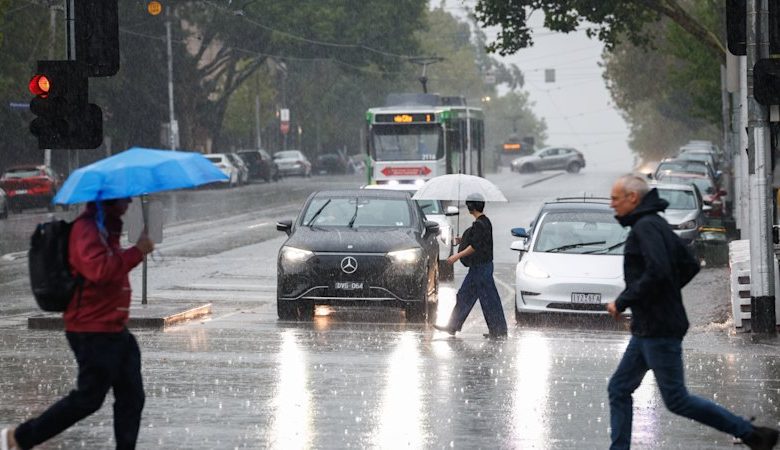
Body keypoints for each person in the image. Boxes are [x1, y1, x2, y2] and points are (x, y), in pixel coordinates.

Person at [606, 174, 778, 450]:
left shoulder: (646, 227)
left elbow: (658, 271)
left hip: (658, 328)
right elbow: (689, 264)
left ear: (633, 198)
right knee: (619, 388)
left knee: (676, 399)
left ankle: (752, 434)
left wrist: (624, 301)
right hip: (649, 326)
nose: (611, 204)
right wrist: (664, 296)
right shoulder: (655, 224)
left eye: (615, 198)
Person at [2, 198, 154, 450]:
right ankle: (18, 438)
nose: (129, 201)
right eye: (124, 196)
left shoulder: (107, 228)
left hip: (113, 326)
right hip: (91, 328)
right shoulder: (88, 229)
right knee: (88, 398)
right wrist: (137, 251)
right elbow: (99, 271)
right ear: (109, 198)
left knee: (131, 396)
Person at [433, 195, 508, 339]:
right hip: (481, 267)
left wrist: (457, 256)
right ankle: (454, 326)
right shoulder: (484, 222)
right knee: (466, 296)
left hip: (481, 268)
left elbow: (474, 246)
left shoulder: (479, 224)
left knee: (488, 299)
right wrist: (462, 239)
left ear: (471, 207)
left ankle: (498, 331)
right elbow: (477, 239)